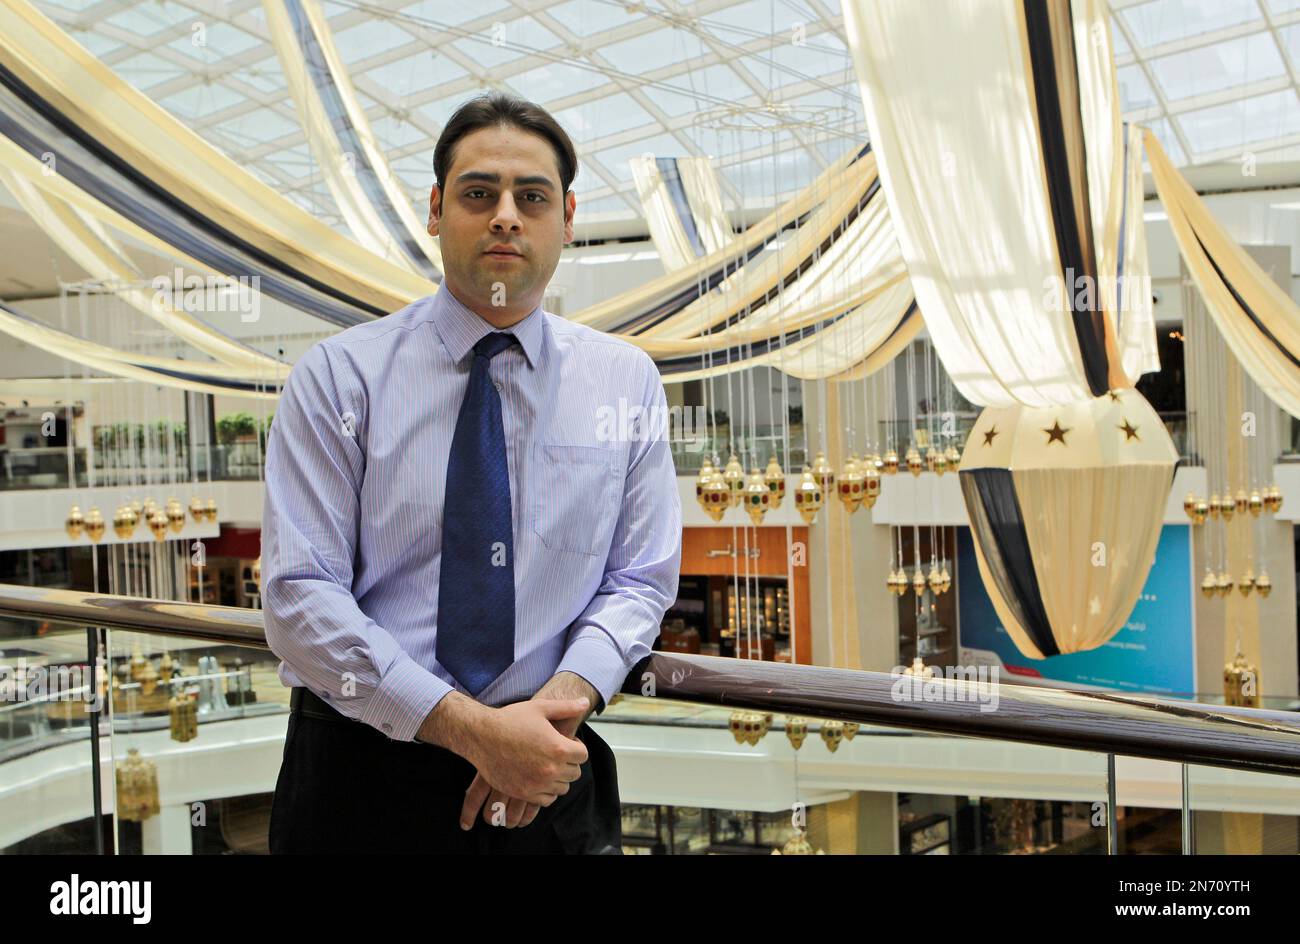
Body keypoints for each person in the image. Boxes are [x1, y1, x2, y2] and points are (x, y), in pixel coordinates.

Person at [261, 92, 682, 854]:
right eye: (478, 193)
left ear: (568, 217)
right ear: (434, 208)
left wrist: (545, 719)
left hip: (548, 775)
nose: (506, 216)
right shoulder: (337, 378)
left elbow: (640, 579)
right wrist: (473, 732)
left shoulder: (625, 382)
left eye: (532, 197)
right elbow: (299, 595)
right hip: (360, 780)